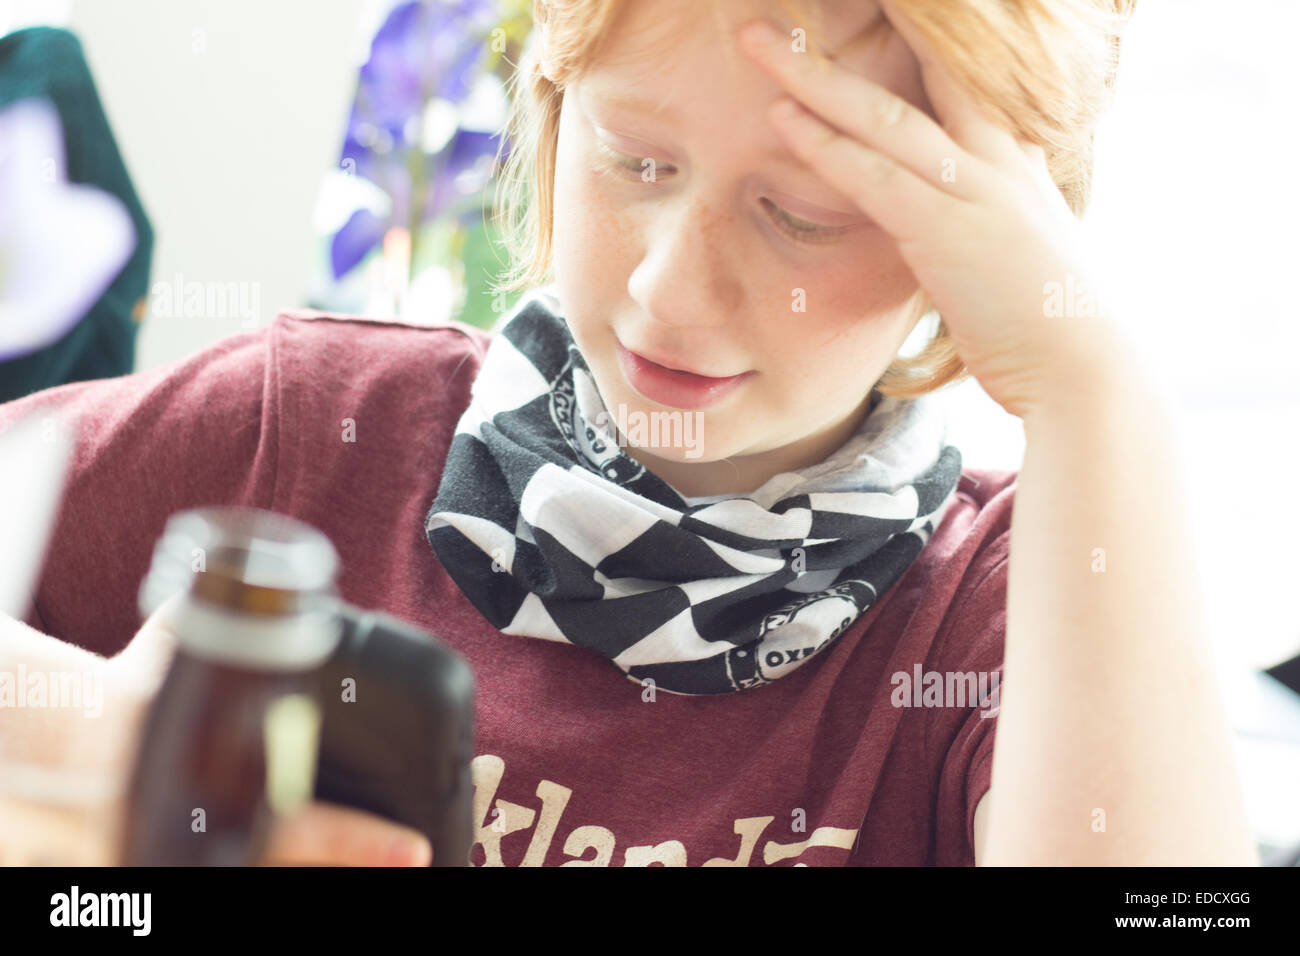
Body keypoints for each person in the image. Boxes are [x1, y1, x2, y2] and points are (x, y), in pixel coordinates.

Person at [0, 0, 1257, 866]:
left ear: (985, 243)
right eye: (634, 161)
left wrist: (1094, 390)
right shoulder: (302, 429)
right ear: (551, 104)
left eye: (802, 215)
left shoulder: (1007, 621)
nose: (666, 288)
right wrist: (105, 740)